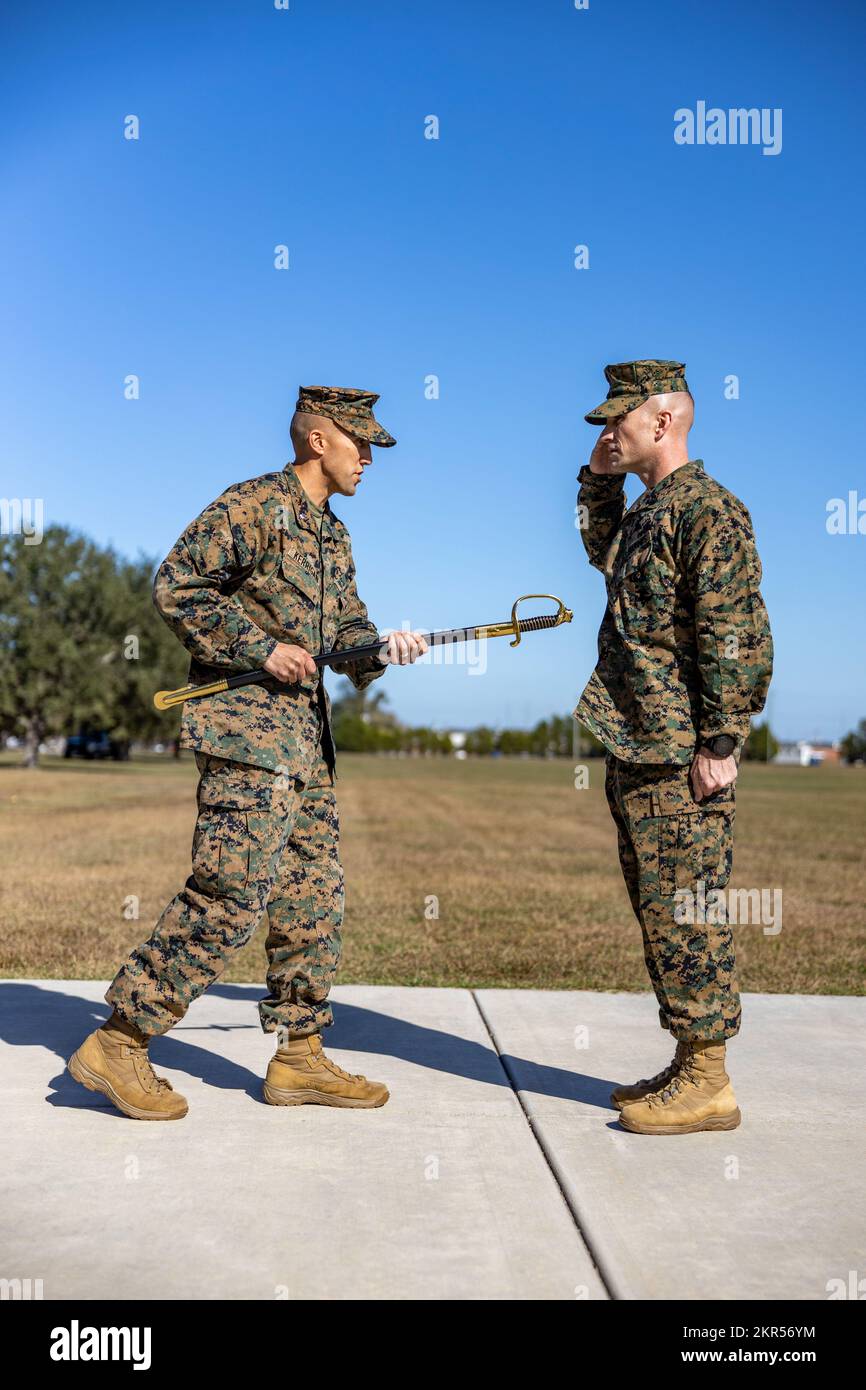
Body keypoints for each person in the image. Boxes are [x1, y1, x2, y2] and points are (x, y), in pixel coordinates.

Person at [68, 385, 428, 1120]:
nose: (369, 459)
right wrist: (261, 649)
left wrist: (385, 649)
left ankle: (300, 1056)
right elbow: (178, 584)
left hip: (305, 746)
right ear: (319, 439)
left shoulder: (335, 538)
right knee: (231, 890)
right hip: (243, 737)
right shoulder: (253, 506)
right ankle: (121, 1039)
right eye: (361, 444)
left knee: (312, 894)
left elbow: (347, 635)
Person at [575, 360, 773, 1135]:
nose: (606, 431)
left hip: (679, 747)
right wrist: (598, 485)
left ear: (662, 422)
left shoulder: (708, 511)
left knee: (688, 912)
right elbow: (606, 557)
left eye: (616, 420)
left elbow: (736, 631)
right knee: (662, 911)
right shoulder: (651, 512)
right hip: (639, 742)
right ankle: (689, 1058)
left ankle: (709, 1080)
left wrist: (721, 738)